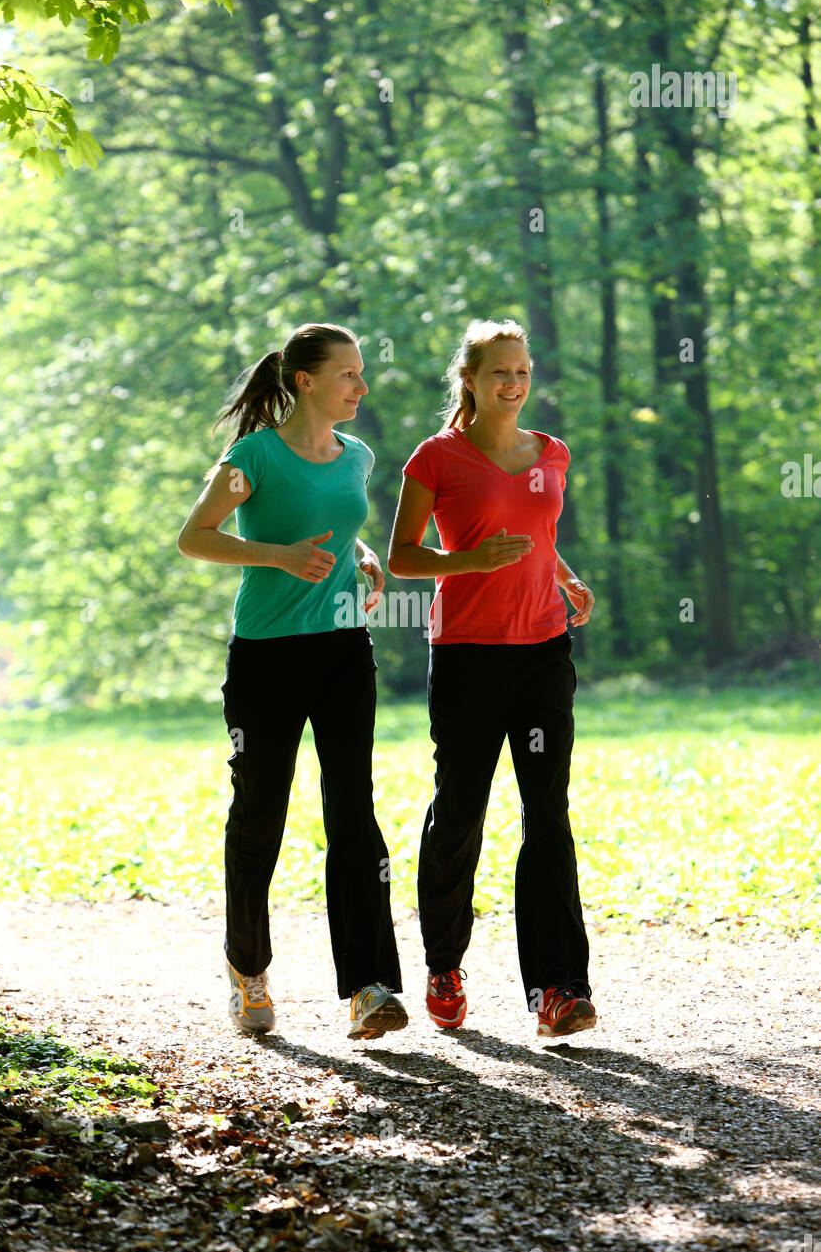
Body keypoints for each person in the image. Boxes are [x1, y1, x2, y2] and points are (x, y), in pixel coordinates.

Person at [177, 323, 407, 1041]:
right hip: (267, 658)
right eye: (348, 375)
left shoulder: (357, 456)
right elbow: (196, 535)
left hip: (343, 650)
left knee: (353, 814)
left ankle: (369, 988)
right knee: (260, 817)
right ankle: (248, 973)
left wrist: (362, 555)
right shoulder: (253, 456)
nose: (361, 387)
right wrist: (275, 555)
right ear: (305, 381)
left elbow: (336, 522)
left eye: (362, 373)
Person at [387, 318, 596, 1038]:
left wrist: (564, 577)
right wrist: (469, 564)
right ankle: (444, 962)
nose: (513, 383)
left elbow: (538, 536)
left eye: (523, 372)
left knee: (548, 815)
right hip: (469, 655)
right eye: (499, 372)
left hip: (543, 650)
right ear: (469, 380)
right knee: (462, 808)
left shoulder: (552, 454)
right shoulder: (435, 458)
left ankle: (560, 988)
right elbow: (404, 558)